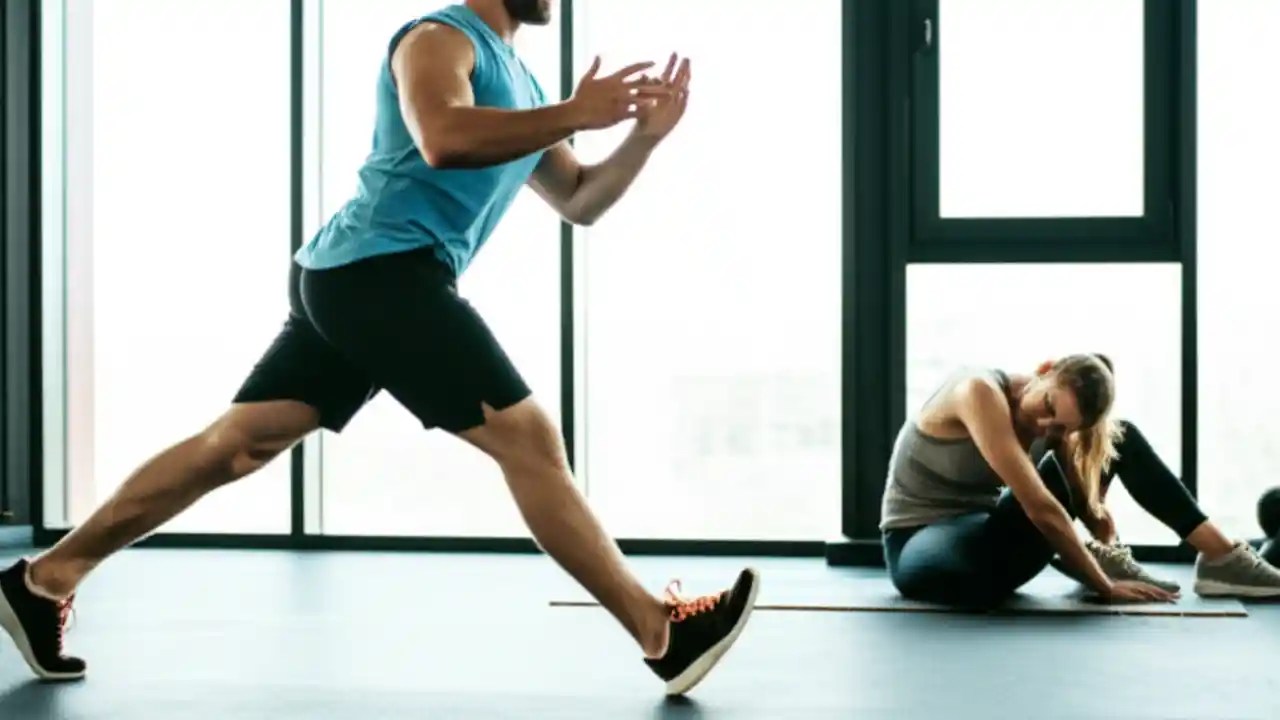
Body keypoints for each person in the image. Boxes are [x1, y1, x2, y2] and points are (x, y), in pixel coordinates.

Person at [0, 0, 759, 694]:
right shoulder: (438, 39)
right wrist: (572, 113)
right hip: (378, 275)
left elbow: (581, 201)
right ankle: (662, 634)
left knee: (234, 447)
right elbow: (443, 137)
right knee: (528, 438)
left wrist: (641, 140)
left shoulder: (523, 85)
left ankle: (42, 581)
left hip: (356, 278)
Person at [879, 354, 1280, 609]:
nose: (1043, 425)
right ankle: (1093, 562)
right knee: (1043, 505)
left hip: (989, 542)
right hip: (921, 546)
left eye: (1059, 425)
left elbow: (1077, 498)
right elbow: (1040, 506)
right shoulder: (978, 391)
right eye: (1047, 405)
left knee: (1118, 436)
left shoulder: (1053, 427)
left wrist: (1103, 537)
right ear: (1044, 370)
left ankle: (1222, 558)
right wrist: (1104, 585)